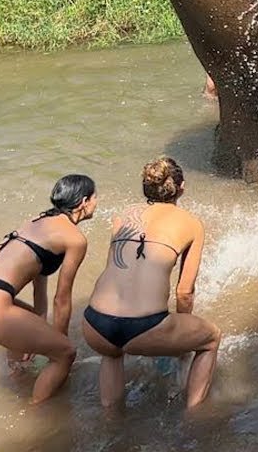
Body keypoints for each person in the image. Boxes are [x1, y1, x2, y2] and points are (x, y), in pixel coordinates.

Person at [82, 157, 221, 408]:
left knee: (112, 353)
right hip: (144, 328)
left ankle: (111, 420)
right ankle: (194, 417)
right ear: (181, 187)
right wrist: (181, 337)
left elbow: (115, 268)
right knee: (211, 338)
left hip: (95, 323)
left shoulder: (123, 216)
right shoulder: (192, 224)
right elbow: (185, 292)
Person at [0, 174, 95, 404]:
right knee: (66, 353)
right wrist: (58, 344)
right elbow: (62, 299)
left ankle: (18, 376)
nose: (96, 202)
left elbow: (39, 281)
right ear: (84, 201)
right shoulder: (75, 239)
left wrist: (40, 330)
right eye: (95, 197)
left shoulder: (38, 220)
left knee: (29, 327)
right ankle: (36, 412)